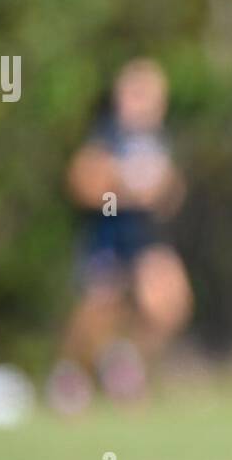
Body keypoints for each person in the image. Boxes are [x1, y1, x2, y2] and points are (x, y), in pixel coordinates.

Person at [47, 59, 194, 413]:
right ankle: (71, 374)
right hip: (108, 235)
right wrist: (121, 186)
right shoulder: (106, 135)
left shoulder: (159, 140)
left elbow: (172, 191)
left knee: (170, 302)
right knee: (98, 308)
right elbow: (80, 183)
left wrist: (163, 191)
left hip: (145, 237)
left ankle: (126, 361)